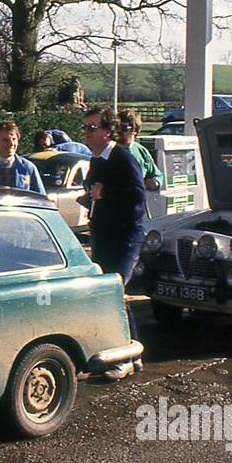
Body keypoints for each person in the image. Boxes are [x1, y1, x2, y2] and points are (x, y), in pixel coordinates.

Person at [82, 107, 147, 339]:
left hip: (125, 238)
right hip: (102, 236)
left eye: (92, 127)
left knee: (115, 290)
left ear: (108, 131)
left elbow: (137, 195)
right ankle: (121, 347)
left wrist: (105, 192)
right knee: (107, 293)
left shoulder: (123, 158)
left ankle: (130, 350)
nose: (86, 132)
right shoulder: (97, 159)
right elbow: (91, 187)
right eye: (85, 127)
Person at [115, 109, 162, 192]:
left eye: (124, 127)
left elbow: (157, 175)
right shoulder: (107, 150)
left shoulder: (141, 152)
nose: (119, 131)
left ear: (134, 130)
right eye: (116, 127)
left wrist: (155, 182)